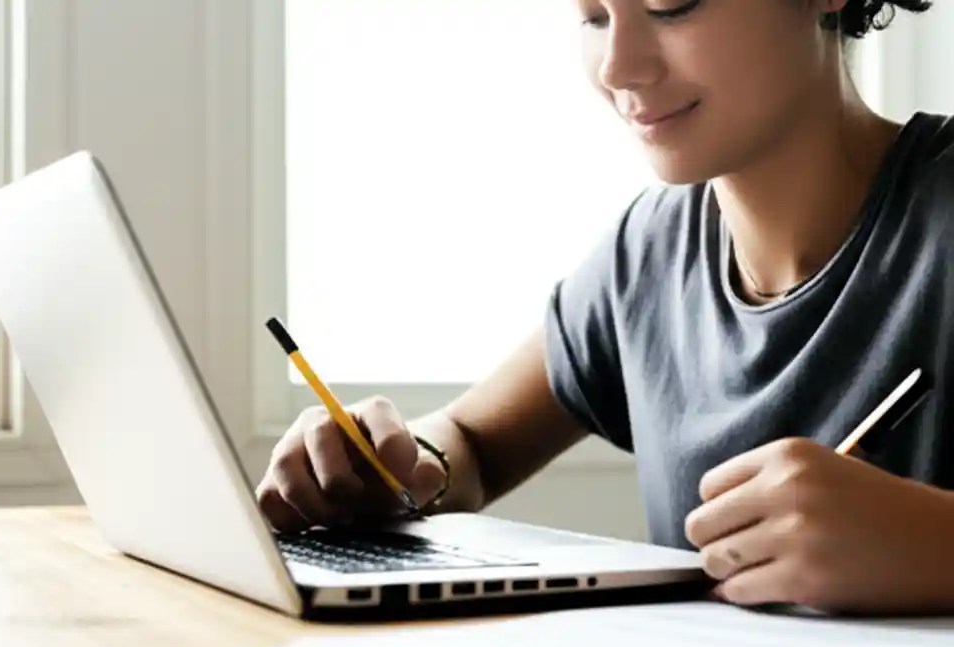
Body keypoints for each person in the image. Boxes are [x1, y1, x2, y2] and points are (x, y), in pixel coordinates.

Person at [255, 0, 954, 614]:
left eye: (672, 5)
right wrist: (392, 462)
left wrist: (933, 545)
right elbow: (469, 444)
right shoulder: (648, 254)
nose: (618, 67)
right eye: (592, 16)